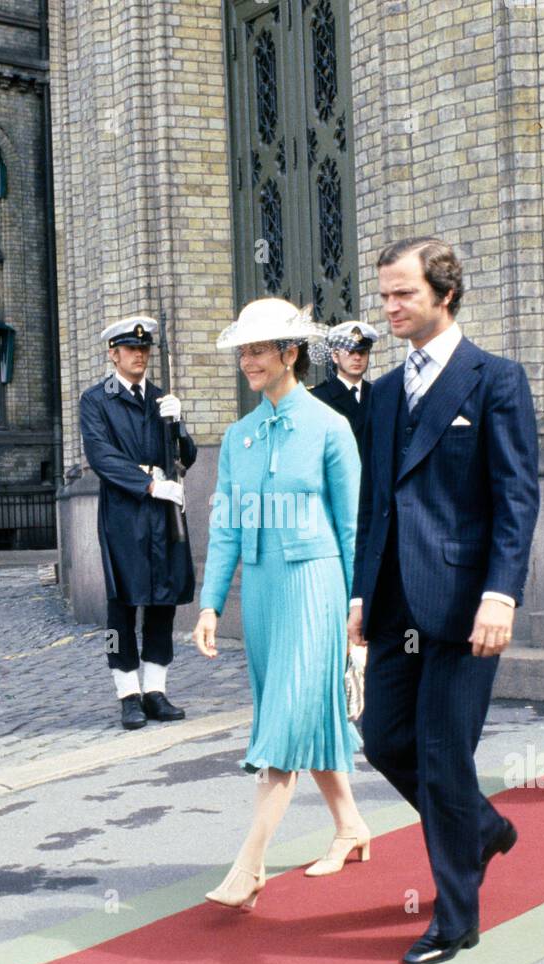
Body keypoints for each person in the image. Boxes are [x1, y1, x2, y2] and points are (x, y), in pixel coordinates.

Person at [351, 237, 539, 964]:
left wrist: (502, 593)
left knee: (442, 751)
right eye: (386, 294)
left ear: (445, 294)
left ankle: (456, 918)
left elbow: (517, 498)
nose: (391, 308)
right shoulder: (387, 392)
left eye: (405, 294)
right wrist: (363, 592)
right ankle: (482, 827)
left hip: (467, 602)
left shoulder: (496, 379)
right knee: (384, 740)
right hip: (397, 603)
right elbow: (376, 505)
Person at [193, 298, 369, 908]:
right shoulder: (239, 438)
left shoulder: (330, 427)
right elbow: (226, 530)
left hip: (317, 587)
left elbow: (352, 527)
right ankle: (350, 825)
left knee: (284, 726)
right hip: (263, 595)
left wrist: (357, 604)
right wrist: (211, 604)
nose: (247, 361)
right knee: (303, 717)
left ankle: (250, 865)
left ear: (291, 354)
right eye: (242, 350)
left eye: (259, 349)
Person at [79, 315, 197, 730]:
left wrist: (179, 425)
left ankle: (155, 689)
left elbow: (187, 455)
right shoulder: (97, 400)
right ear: (114, 354)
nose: (139, 356)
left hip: (163, 515)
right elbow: (101, 456)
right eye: (131, 349)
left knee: (162, 601)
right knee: (123, 606)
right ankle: (128, 693)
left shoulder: (161, 399)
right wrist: (148, 485)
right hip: (126, 513)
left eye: (144, 350)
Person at [310, 320, 379, 449]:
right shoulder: (317, 397)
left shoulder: (378, 394)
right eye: (350, 352)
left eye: (362, 352)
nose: (357, 358)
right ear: (335, 357)